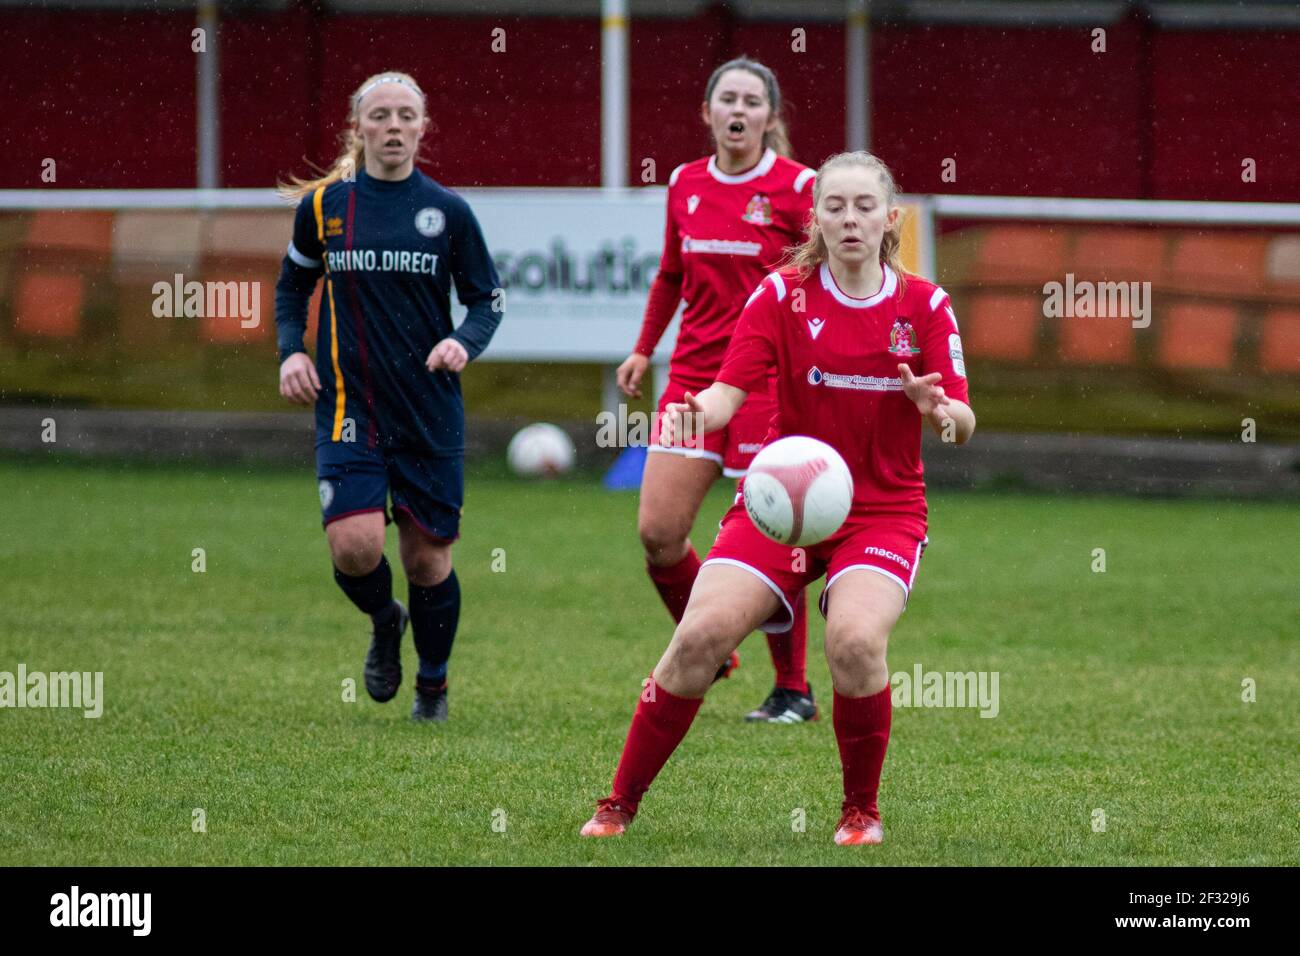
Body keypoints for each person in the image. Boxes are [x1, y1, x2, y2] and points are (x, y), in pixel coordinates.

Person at [580, 151, 976, 844]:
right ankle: (618, 804)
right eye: (834, 206)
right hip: (784, 504)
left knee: (853, 643)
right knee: (698, 635)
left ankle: (861, 812)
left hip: (881, 514)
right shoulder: (779, 295)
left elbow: (963, 425)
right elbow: (728, 394)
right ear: (815, 217)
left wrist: (939, 409)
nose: (849, 218)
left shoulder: (925, 305)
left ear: (891, 218)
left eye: (863, 206)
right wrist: (694, 412)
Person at [273, 70, 503, 722]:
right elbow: (292, 287)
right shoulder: (324, 207)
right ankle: (383, 617)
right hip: (350, 406)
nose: (394, 126)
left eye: (406, 115)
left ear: (423, 128)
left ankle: (432, 685)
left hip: (428, 409)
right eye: (381, 116)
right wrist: (292, 349)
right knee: (355, 548)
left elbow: (487, 299)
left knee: (427, 559)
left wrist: (464, 341)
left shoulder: (449, 214)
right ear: (359, 128)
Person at [618, 57, 819, 723]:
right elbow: (671, 276)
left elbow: (824, 281)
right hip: (691, 384)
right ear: (707, 113)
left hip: (767, 384)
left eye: (752, 101)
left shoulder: (800, 188)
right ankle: (713, 646)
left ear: (770, 116)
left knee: (775, 531)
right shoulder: (685, 183)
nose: (739, 111)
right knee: (658, 533)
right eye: (727, 99)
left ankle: (793, 689)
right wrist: (644, 348)